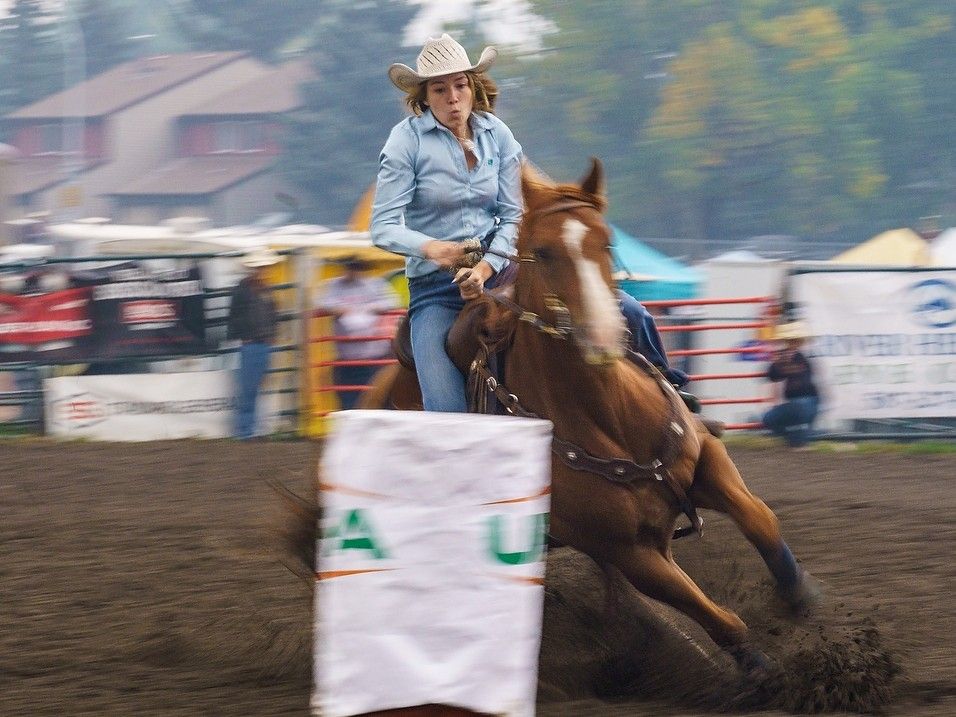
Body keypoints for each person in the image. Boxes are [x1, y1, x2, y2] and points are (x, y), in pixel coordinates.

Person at [372, 33, 695, 413]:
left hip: (507, 272)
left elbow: (512, 214)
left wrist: (487, 265)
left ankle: (675, 402)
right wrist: (435, 249)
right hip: (436, 291)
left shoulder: (498, 135)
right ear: (425, 97)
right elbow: (383, 227)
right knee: (444, 405)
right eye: (440, 89)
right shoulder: (404, 143)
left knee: (634, 314)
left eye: (460, 85)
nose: (453, 98)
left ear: (473, 88)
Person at [315, 257, 399, 409]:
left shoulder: (376, 284)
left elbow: (392, 302)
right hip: (348, 357)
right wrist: (338, 309)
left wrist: (371, 308)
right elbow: (322, 303)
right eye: (350, 267)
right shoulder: (334, 285)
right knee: (350, 401)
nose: (353, 272)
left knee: (378, 398)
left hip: (373, 355)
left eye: (357, 268)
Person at [226, 247, 281, 439]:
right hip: (252, 344)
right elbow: (235, 318)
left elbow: (272, 316)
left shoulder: (255, 290)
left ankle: (250, 429)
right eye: (260, 268)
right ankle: (245, 431)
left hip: (260, 343)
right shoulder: (244, 290)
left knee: (255, 386)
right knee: (249, 388)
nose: (262, 271)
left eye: (264, 267)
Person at [762, 321, 820, 448]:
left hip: (805, 403)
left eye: (794, 341)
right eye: (789, 341)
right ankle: (796, 438)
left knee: (796, 409)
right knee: (768, 418)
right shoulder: (790, 357)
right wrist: (780, 363)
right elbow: (772, 376)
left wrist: (783, 363)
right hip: (800, 404)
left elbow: (801, 383)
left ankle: (797, 437)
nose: (791, 344)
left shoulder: (803, 358)